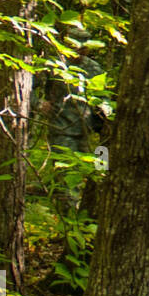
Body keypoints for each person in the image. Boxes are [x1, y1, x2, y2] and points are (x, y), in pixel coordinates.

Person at [36, 31, 105, 216]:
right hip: (61, 129)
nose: (80, 51)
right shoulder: (54, 65)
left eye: (84, 47)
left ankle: (88, 219)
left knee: (96, 174)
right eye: (76, 46)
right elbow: (27, 87)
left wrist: (105, 123)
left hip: (87, 131)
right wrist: (39, 103)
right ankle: (70, 222)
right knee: (66, 180)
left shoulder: (94, 68)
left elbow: (102, 98)